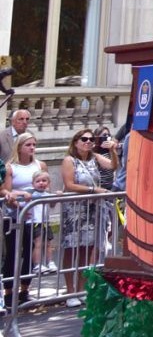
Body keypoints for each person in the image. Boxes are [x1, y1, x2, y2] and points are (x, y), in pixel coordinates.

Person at [60, 128, 115, 307]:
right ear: (76, 142)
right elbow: (69, 184)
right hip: (74, 210)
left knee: (87, 248)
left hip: (92, 209)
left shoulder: (94, 158)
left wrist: (113, 150)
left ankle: (81, 289)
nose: (88, 142)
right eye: (84, 139)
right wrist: (94, 190)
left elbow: (114, 166)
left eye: (91, 140)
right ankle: (70, 292)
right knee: (71, 248)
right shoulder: (70, 160)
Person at [2, 133, 47, 306]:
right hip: (14, 217)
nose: (32, 148)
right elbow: (4, 190)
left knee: (29, 255)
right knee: (12, 255)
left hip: (34, 217)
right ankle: (8, 293)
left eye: (34, 144)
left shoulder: (40, 165)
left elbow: (45, 185)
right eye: (28, 144)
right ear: (19, 146)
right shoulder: (10, 167)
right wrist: (16, 196)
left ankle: (25, 290)